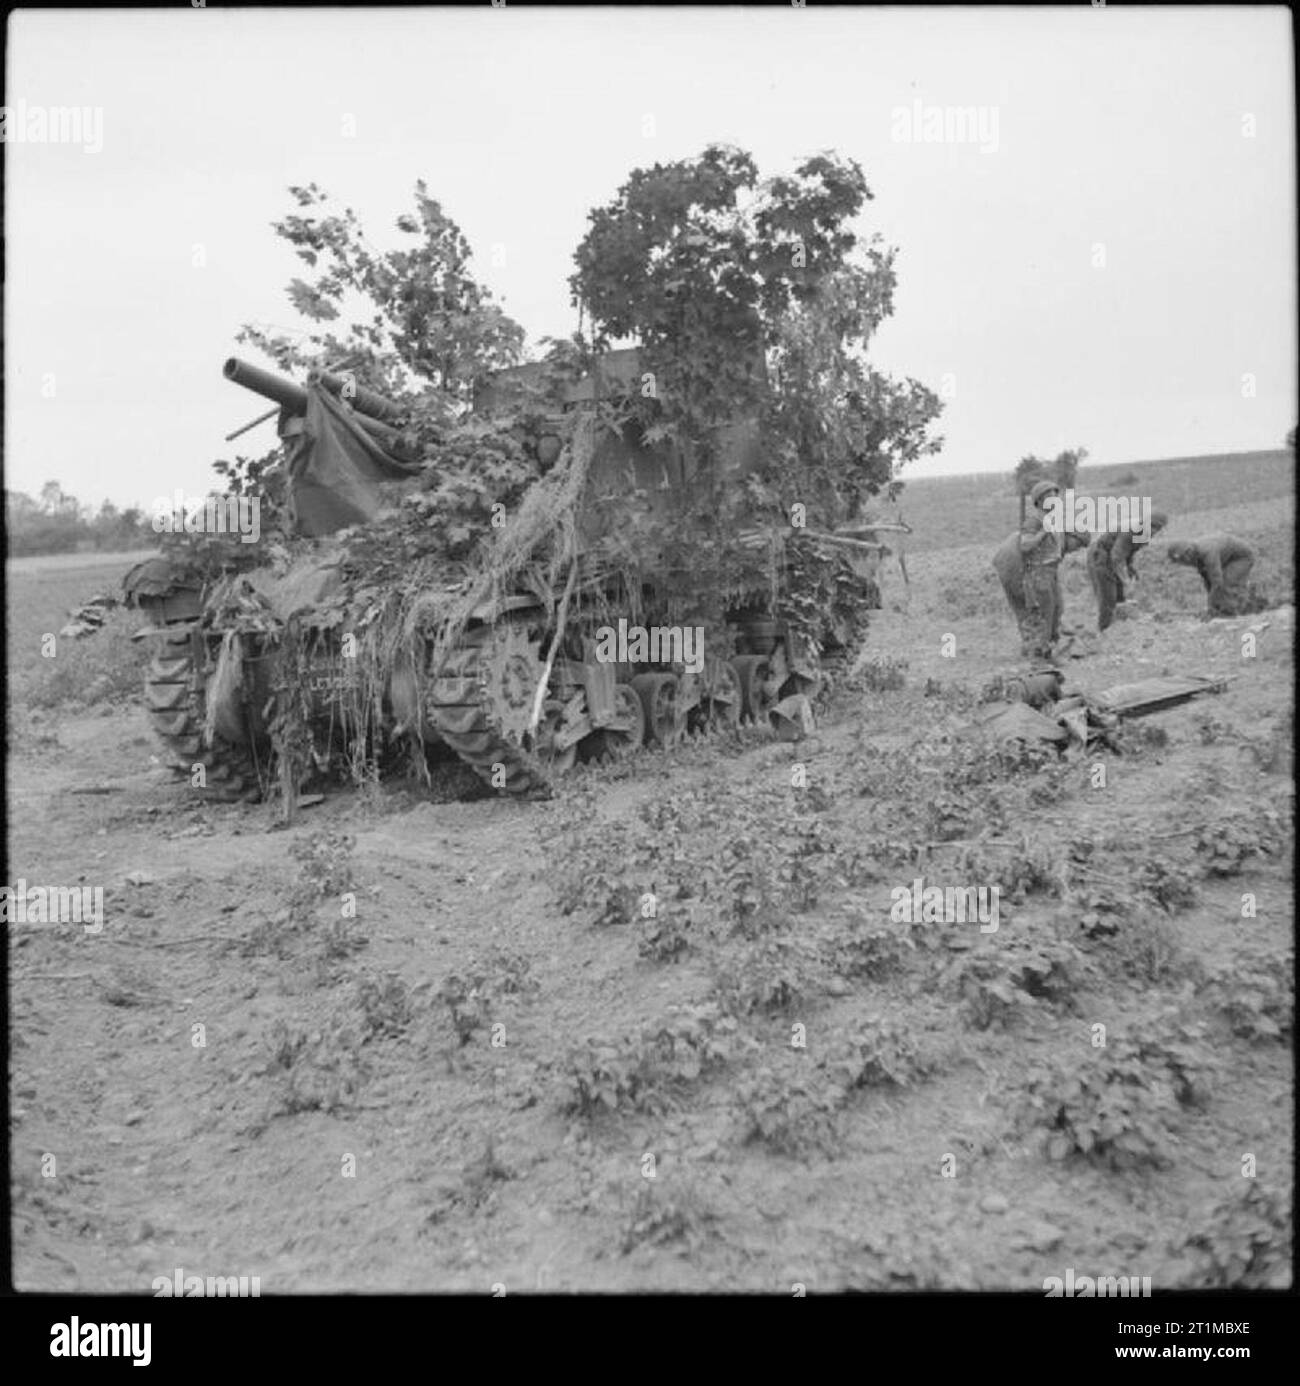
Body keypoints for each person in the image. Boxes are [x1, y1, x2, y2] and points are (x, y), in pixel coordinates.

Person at [1087, 509, 1168, 631]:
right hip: (1101, 554)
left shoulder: (1145, 535)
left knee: (1120, 595)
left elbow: (1128, 551)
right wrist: (1125, 580)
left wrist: (1130, 568)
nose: (1154, 530)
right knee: (1108, 595)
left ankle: (1119, 627)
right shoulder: (1130, 531)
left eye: (1157, 528)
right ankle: (1104, 629)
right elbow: (1116, 557)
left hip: (1112, 554)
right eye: (1152, 526)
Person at [1017, 479, 1066, 659]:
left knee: (1057, 610)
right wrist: (1042, 533)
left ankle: (1049, 649)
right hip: (1040, 573)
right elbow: (1025, 545)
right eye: (1049, 495)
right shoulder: (1034, 520)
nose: (1054, 498)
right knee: (1046, 614)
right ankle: (1041, 654)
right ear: (1040, 499)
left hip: (1051, 571)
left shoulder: (1049, 519)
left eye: (1055, 494)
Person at [1166, 535, 1257, 616]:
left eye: (1181, 561)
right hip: (1225, 558)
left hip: (1241, 558)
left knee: (1228, 582)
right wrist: (1213, 605)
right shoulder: (1195, 556)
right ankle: (1226, 608)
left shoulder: (1208, 553)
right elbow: (1208, 580)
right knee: (1218, 587)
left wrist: (1210, 606)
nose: (1183, 564)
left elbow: (1217, 582)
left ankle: (1232, 612)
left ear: (1187, 553)